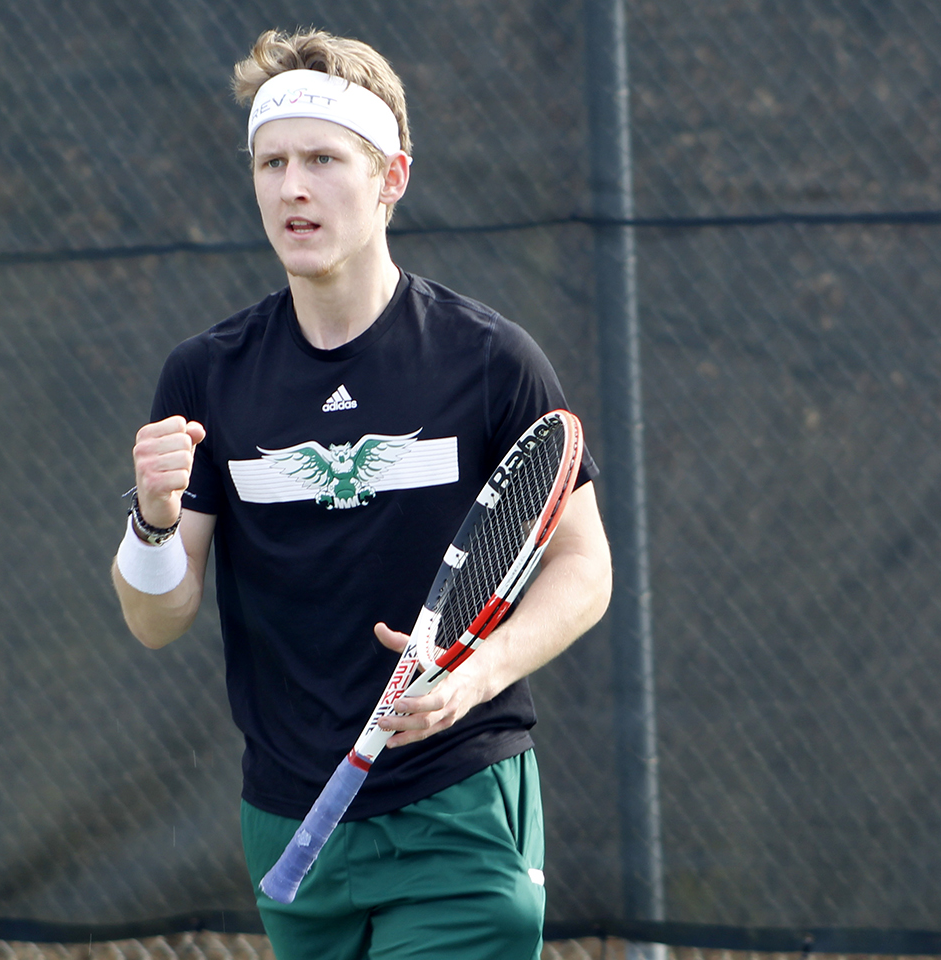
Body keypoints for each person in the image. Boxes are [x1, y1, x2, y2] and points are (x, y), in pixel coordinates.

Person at [110, 28, 611, 960]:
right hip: (291, 819)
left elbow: (585, 566)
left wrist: (471, 680)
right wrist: (153, 518)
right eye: (272, 163)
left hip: (457, 805)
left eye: (323, 160)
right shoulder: (204, 378)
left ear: (393, 178)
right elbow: (155, 620)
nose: (292, 188)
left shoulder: (491, 361)